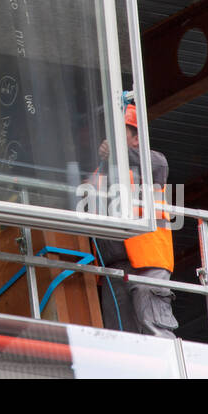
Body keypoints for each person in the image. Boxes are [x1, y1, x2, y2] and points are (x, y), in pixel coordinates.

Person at [88, 102, 178, 338]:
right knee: (120, 339)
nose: (109, 139)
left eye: (118, 133)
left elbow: (157, 164)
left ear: (136, 138)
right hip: (114, 268)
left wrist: (118, 152)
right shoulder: (99, 176)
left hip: (148, 262)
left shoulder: (154, 164)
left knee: (152, 325)